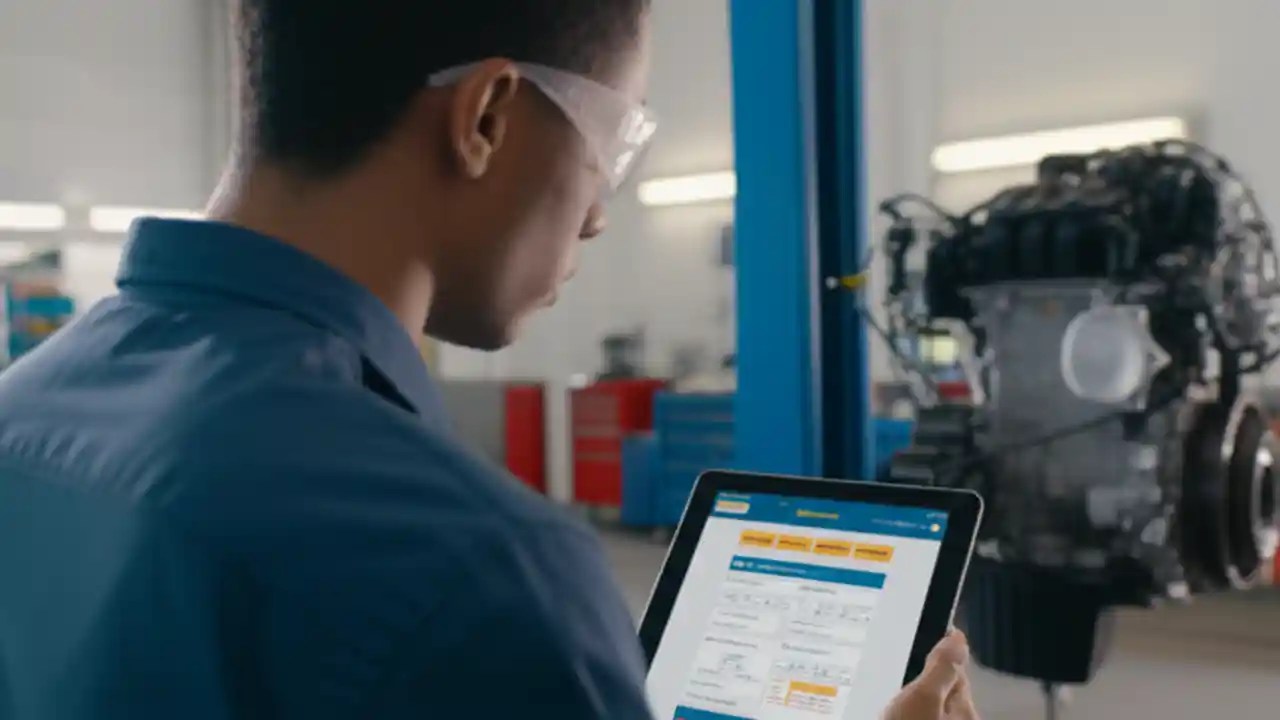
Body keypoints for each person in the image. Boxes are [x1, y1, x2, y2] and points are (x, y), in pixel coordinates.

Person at [0, 2, 980, 718]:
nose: (598, 210)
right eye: (614, 139)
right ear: (485, 117)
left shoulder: (24, 412)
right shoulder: (473, 568)